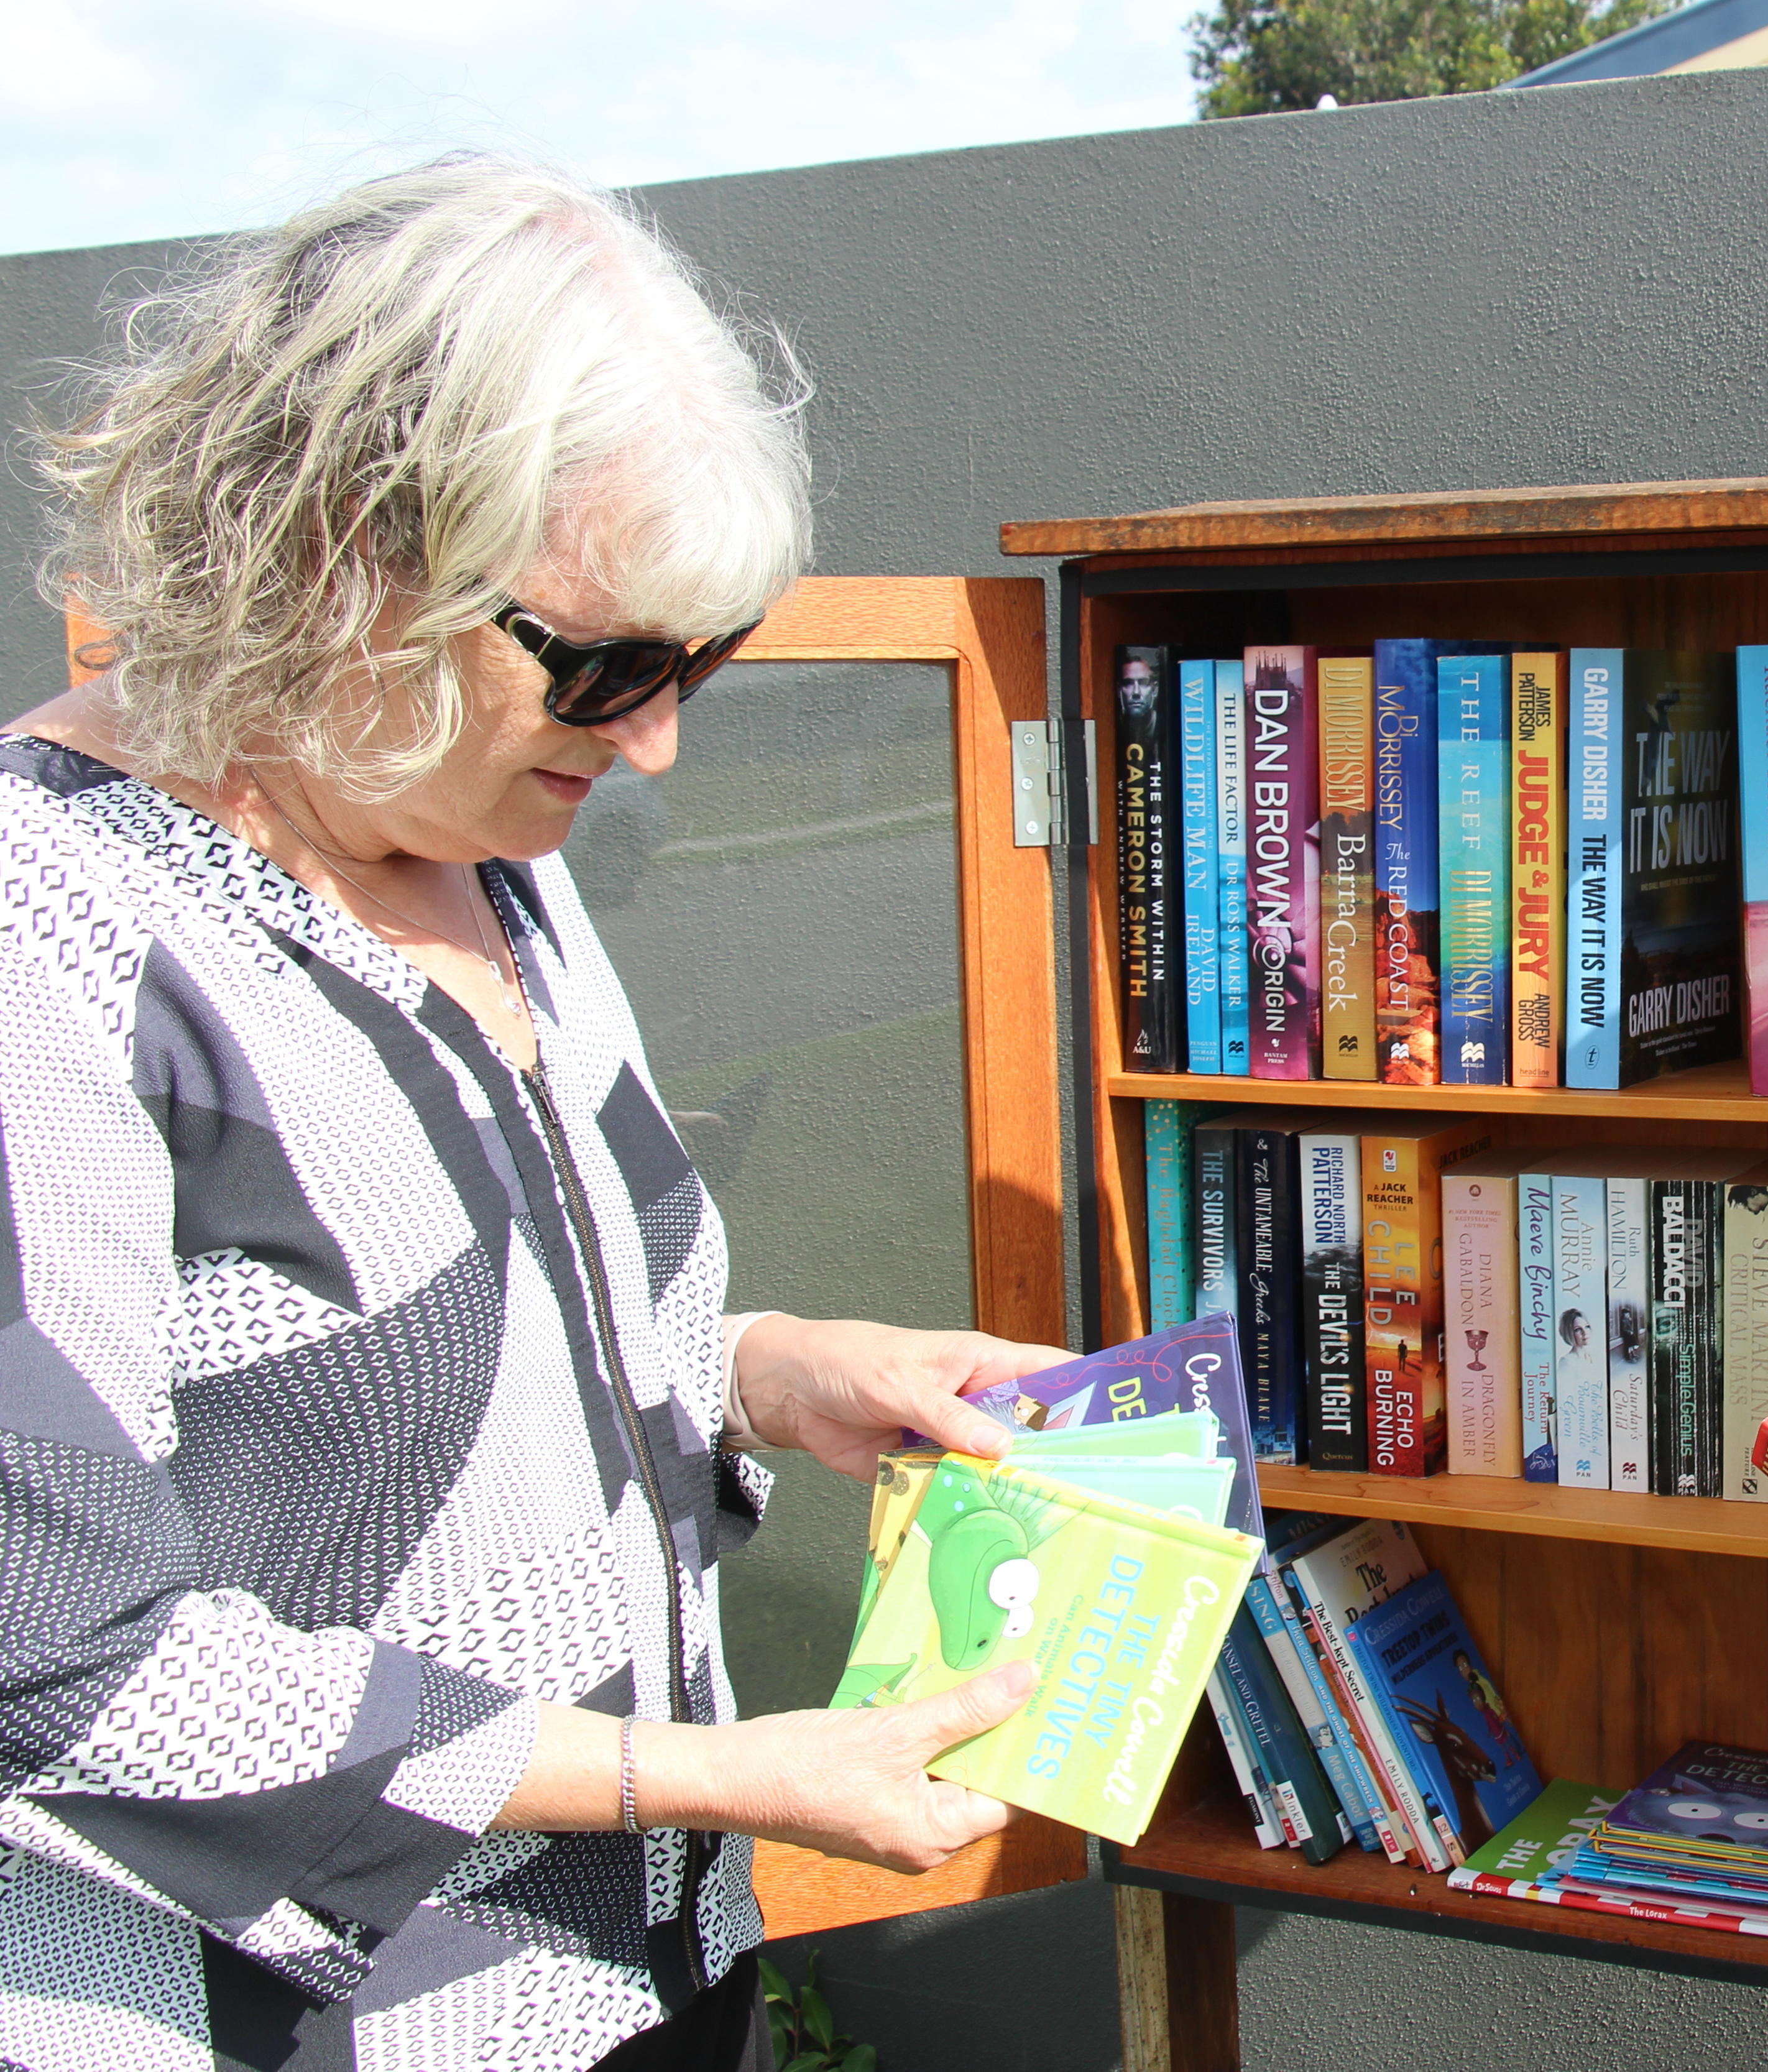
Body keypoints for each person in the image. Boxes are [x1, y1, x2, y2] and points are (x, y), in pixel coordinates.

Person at [1, 159, 1056, 2072]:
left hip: (650, 1986)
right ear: (339, 558)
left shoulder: (485, 835)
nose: (655, 738)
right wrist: (689, 1774)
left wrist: (766, 1373)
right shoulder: (47, 932)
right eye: (606, 662)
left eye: (702, 659)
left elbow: (494, 1356)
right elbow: (54, 1653)